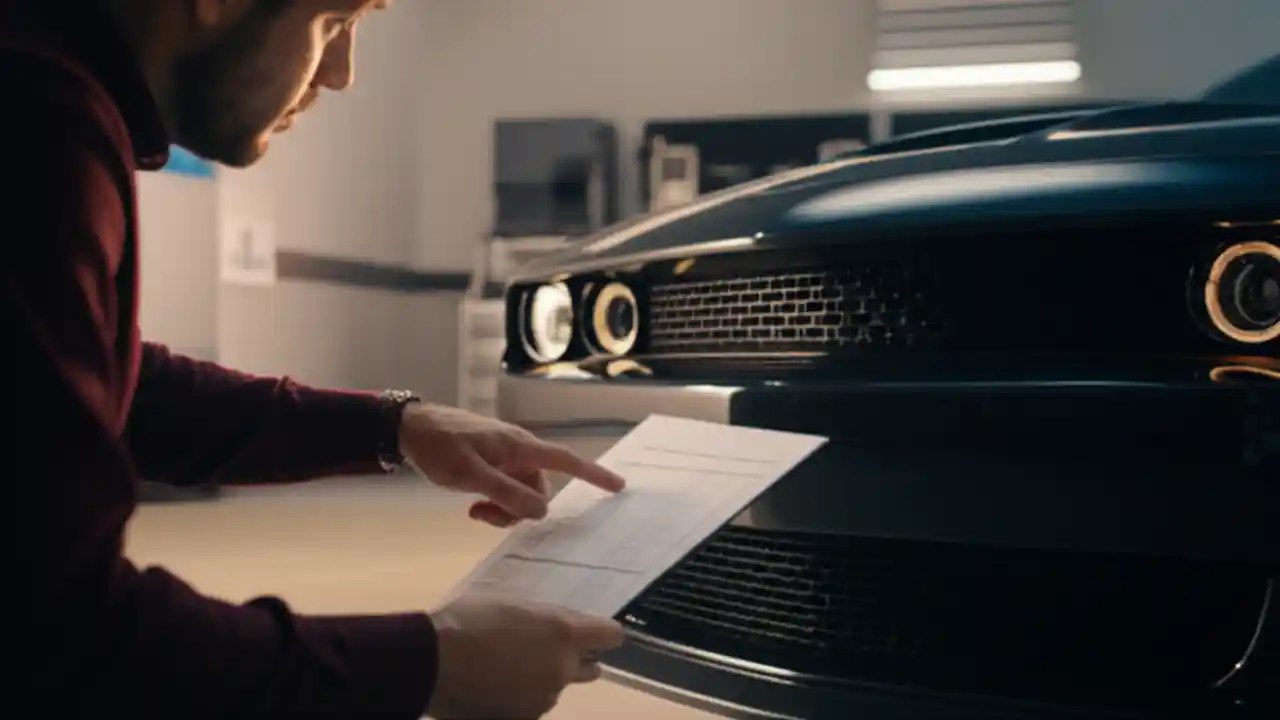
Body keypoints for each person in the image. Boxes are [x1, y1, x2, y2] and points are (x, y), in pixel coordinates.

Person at [4, 0, 628, 716]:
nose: (341, 73)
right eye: (334, 21)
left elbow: (113, 390)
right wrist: (432, 664)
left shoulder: (49, 81)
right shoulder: (35, 115)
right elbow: (57, 639)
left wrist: (396, 426)